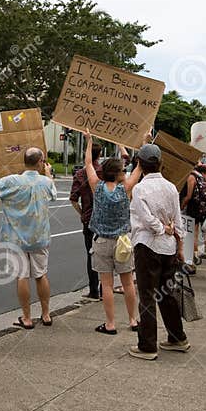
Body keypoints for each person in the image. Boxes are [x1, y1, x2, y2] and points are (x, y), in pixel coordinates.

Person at [0, 147, 57, 329]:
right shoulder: (45, 182)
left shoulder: (13, 181)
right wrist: (48, 175)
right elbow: (53, 195)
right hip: (39, 237)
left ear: (24, 161)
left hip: (16, 238)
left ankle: (27, 317)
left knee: (22, 276)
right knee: (41, 275)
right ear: (40, 162)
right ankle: (46, 314)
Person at [128, 144, 189, 360]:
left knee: (147, 295)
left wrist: (162, 228)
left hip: (147, 246)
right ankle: (177, 337)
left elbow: (146, 219)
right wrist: (179, 242)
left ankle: (147, 345)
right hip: (169, 246)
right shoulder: (171, 187)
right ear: (160, 163)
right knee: (167, 293)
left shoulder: (139, 189)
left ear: (140, 164)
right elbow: (179, 218)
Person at [83, 131, 140, 334]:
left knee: (106, 284)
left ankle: (110, 324)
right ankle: (133, 320)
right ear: (118, 174)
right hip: (122, 241)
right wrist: (144, 141)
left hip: (101, 241)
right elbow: (139, 166)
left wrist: (89, 140)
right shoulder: (125, 188)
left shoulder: (96, 187)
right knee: (127, 282)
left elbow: (88, 164)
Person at [70, 141, 104, 301]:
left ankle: (93, 290)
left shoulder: (80, 175)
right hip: (105, 219)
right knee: (107, 256)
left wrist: (82, 213)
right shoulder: (105, 172)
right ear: (101, 154)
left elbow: (74, 199)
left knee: (91, 254)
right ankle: (105, 289)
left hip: (89, 219)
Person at [179, 163, 206, 264]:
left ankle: (191, 257)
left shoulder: (191, 177)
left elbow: (188, 196)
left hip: (191, 209)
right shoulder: (200, 177)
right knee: (194, 233)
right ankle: (194, 256)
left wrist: (181, 206)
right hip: (199, 209)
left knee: (189, 235)